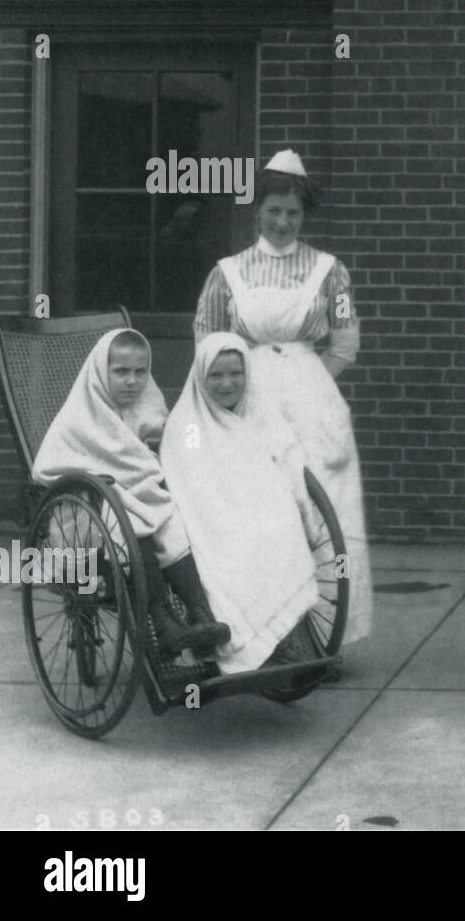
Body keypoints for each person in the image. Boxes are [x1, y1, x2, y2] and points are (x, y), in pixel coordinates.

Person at [193, 149, 372, 645]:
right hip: (247, 399)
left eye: (293, 213)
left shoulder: (330, 271)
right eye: (274, 211)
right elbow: (207, 340)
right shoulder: (227, 272)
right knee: (261, 508)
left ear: (304, 215)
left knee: (323, 508)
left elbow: (345, 339)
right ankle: (266, 631)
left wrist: (310, 378)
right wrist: (235, 390)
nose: (282, 221)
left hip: (312, 398)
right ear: (257, 210)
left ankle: (326, 632)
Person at [31, 329, 230, 657]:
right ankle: (161, 618)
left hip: (136, 498)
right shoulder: (79, 416)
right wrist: (108, 482)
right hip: (88, 513)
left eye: (140, 372)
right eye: (121, 372)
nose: (132, 381)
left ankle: (200, 611)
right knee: (130, 519)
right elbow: (47, 468)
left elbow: (162, 449)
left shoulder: (146, 408)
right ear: (100, 371)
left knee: (171, 517)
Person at [161, 333, 323, 674]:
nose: (227, 384)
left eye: (235, 374)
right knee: (242, 548)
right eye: (216, 375)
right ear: (200, 378)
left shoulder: (258, 410)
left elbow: (283, 455)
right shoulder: (188, 425)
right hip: (211, 516)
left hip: (259, 508)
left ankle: (287, 634)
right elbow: (191, 484)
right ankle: (253, 641)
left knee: (281, 531)